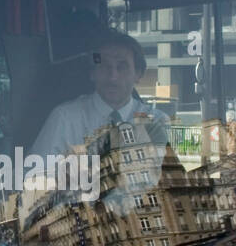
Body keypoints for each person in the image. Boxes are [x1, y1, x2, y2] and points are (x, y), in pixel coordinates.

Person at [30, 30, 170, 160]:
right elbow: (32, 178)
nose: (113, 77)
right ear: (92, 72)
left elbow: (169, 181)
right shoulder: (65, 119)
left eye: (122, 67)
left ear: (138, 74)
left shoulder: (156, 123)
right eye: (104, 66)